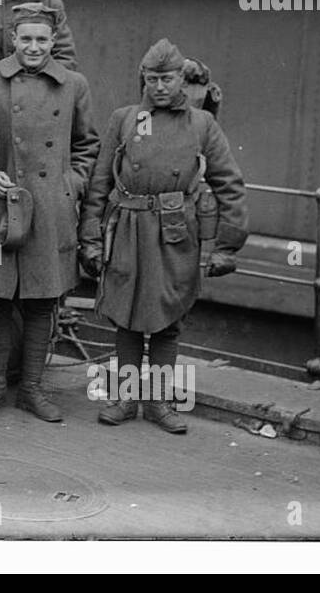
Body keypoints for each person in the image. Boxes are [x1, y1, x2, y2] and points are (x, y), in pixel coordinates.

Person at [79, 38, 249, 434]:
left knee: (168, 320)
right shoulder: (123, 119)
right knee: (126, 319)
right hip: (126, 231)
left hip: (176, 235)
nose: (160, 86)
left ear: (181, 80)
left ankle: (157, 402)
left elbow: (230, 184)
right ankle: (123, 399)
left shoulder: (202, 124)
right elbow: (100, 182)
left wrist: (228, 244)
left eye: (168, 78)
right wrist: (89, 236)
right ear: (144, 78)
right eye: (152, 78)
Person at [0, 8, 100, 421]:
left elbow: (86, 144)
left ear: (53, 40)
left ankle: (31, 387)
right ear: (12, 38)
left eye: (42, 40)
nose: (33, 48)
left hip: (48, 208)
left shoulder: (73, 85)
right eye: (25, 39)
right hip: (1, 207)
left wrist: (70, 185)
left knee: (43, 300)